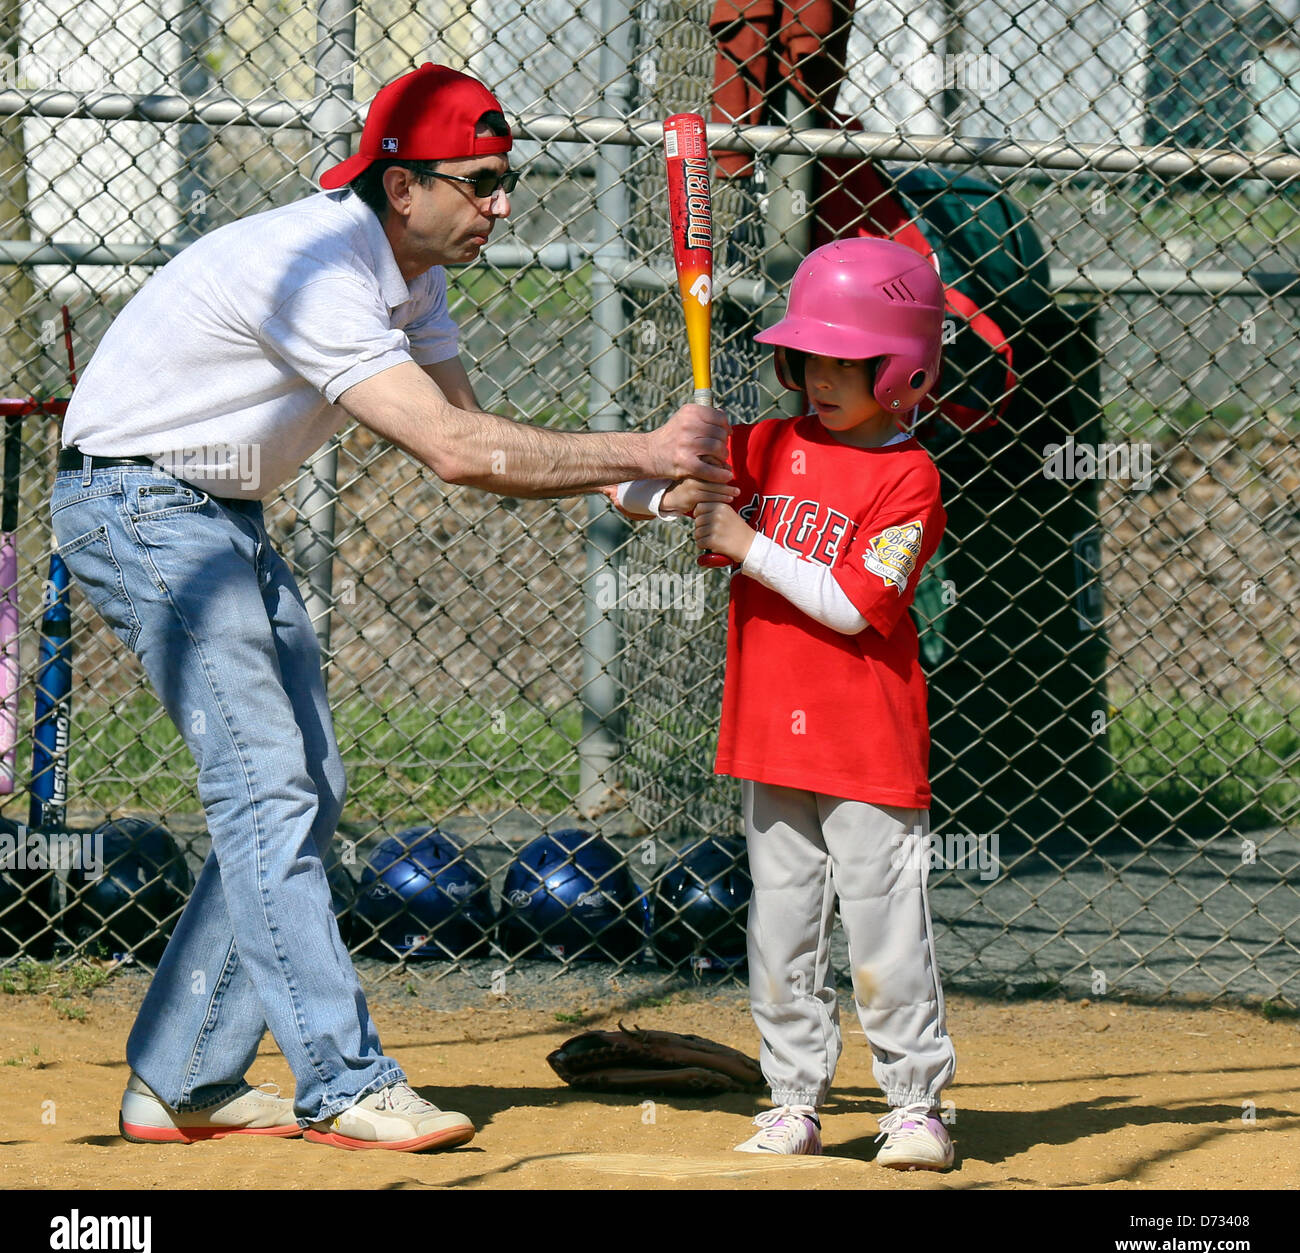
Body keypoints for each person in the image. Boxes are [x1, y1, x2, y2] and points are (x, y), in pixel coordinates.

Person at [51, 62, 728, 1153]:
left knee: (305, 787)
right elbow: (455, 453)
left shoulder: (414, 275)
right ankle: (342, 1081)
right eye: (480, 182)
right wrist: (642, 448)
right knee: (267, 786)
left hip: (216, 512)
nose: (501, 205)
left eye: (507, 181)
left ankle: (181, 1080)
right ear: (400, 184)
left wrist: (643, 485)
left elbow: (488, 433)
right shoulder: (318, 262)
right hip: (138, 505)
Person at [616, 237, 957, 1170]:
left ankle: (915, 1102)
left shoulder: (909, 477)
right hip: (769, 737)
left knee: (885, 928)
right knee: (781, 929)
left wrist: (746, 541)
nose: (820, 375)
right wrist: (667, 464)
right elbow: (629, 492)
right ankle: (794, 1098)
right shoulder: (764, 445)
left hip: (867, 748)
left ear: (904, 368)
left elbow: (854, 606)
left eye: (848, 359)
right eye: (808, 354)